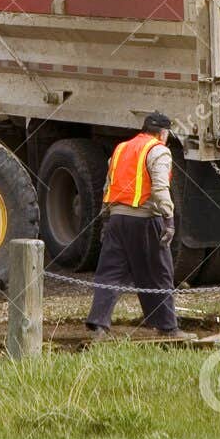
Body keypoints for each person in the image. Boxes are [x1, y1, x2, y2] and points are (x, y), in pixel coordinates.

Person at [86, 112, 194, 341]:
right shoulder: (159, 150)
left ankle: (99, 327)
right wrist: (169, 219)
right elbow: (160, 188)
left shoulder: (121, 149)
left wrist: (105, 218)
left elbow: (108, 186)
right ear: (163, 133)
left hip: (117, 219)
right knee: (160, 272)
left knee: (110, 273)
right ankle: (168, 328)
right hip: (145, 219)